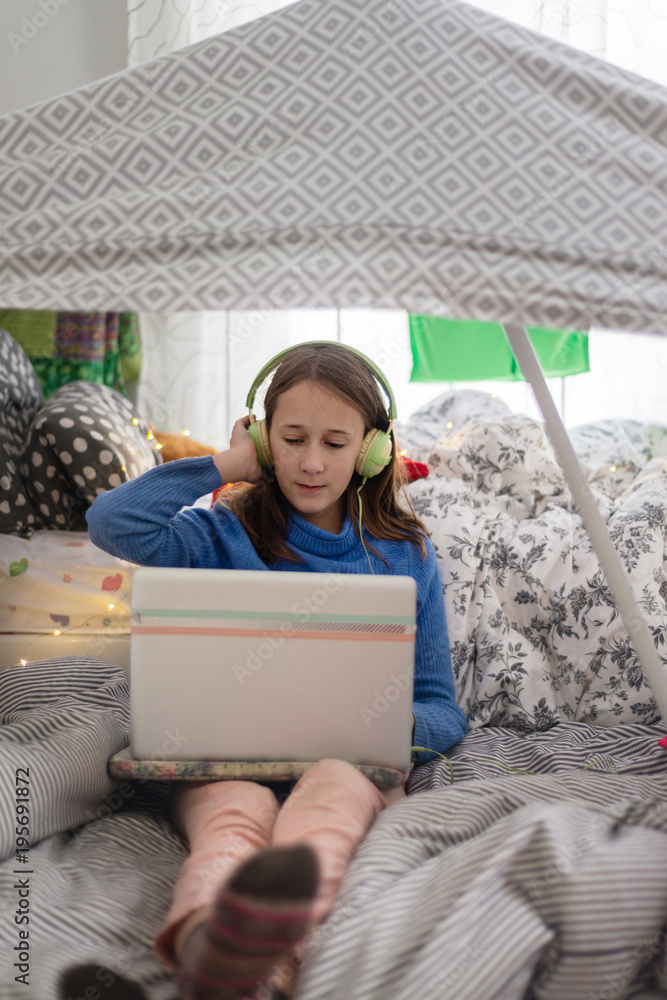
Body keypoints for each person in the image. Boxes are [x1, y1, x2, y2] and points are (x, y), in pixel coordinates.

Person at [86, 342, 467, 1000]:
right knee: (232, 817)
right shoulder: (220, 535)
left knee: (328, 807)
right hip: (227, 762)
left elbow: (441, 706)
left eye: (334, 442)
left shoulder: (405, 554)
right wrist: (222, 466)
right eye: (290, 439)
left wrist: (384, 728)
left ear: (373, 451)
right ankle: (210, 939)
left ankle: (278, 950)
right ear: (264, 442)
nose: (311, 462)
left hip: (346, 768)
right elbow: (111, 521)